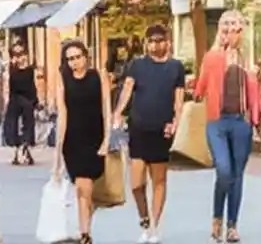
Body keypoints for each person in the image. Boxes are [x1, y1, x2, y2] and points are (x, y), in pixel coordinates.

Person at [195, 10, 261, 242]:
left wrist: (257, 121)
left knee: (237, 174)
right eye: (226, 25)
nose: (230, 30)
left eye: (235, 25)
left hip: (240, 122)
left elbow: (255, 94)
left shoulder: (247, 58)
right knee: (223, 170)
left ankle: (232, 224)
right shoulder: (212, 57)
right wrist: (219, 53)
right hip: (217, 121)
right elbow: (200, 88)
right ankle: (217, 217)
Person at [113, 24, 185, 244]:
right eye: (151, 41)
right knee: (136, 183)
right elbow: (127, 89)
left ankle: (154, 225)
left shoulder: (176, 67)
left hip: (162, 128)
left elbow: (179, 99)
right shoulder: (137, 65)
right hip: (139, 127)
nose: (155, 45)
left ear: (167, 41)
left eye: (159, 40)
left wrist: (176, 122)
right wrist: (117, 112)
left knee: (159, 180)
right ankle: (143, 217)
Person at [56, 39, 112, 244]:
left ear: (86, 56)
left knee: (87, 190)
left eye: (78, 57)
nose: (74, 62)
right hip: (73, 141)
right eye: (70, 59)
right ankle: (85, 234)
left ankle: (86, 226)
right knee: (82, 188)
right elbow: (62, 113)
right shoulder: (63, 79)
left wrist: (107, 139)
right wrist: (58, 151)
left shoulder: (98, 76)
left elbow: (106, 109)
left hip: (94, 138)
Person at [3, 44, 39, 166]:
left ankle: (24, 148)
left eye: (21, 54)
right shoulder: (11, 70)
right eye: (15, 54)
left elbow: (33, 86)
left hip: (27, 101)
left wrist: (35, 101)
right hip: (15, 100)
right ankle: (21, 149)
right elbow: (10, 87)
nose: (19, 57)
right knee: (12, 126)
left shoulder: (30, 70)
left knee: (28, 125)